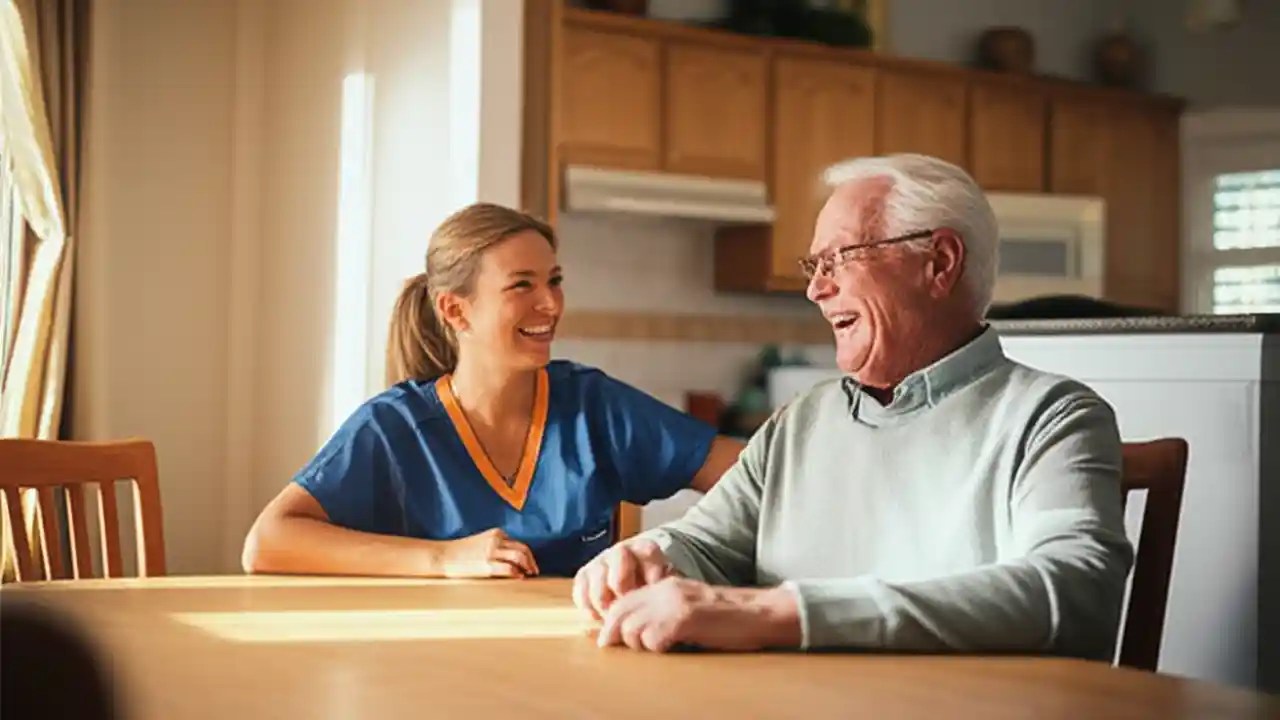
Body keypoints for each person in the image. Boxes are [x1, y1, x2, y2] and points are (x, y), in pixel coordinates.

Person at [572, 154, 1134, 659]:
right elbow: (705, 545)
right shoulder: (802, 421)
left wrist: (779, 614)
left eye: (839, 259)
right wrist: (646, 555)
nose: (817, 290)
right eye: (813, 266)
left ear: (939, 262)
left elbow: (1075, 590)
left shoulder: (1053, 416)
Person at [242, 203, 743, 578]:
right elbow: (267, 542)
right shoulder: (395, 427)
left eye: (555, 280)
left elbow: (755, 477)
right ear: (456, 311)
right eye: (522, 285)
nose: (550, 303)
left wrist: (681, 548)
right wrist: (443, 558)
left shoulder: (594, 407)